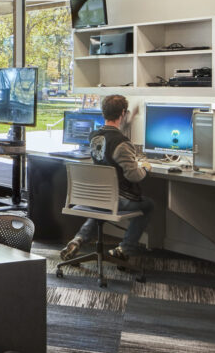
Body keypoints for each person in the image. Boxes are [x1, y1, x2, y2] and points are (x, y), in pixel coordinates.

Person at [60, 94, 154, 262]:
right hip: (118, 199)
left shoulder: (94, 137)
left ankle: (78, 239)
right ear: (123, 113)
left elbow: (111, 139)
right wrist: (145, 167)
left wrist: (129, 120)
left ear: (103, 112)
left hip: (97, 196)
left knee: (103, 204)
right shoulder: (122, 143)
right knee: (149, 204)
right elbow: (133, 175)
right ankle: (125, 249)